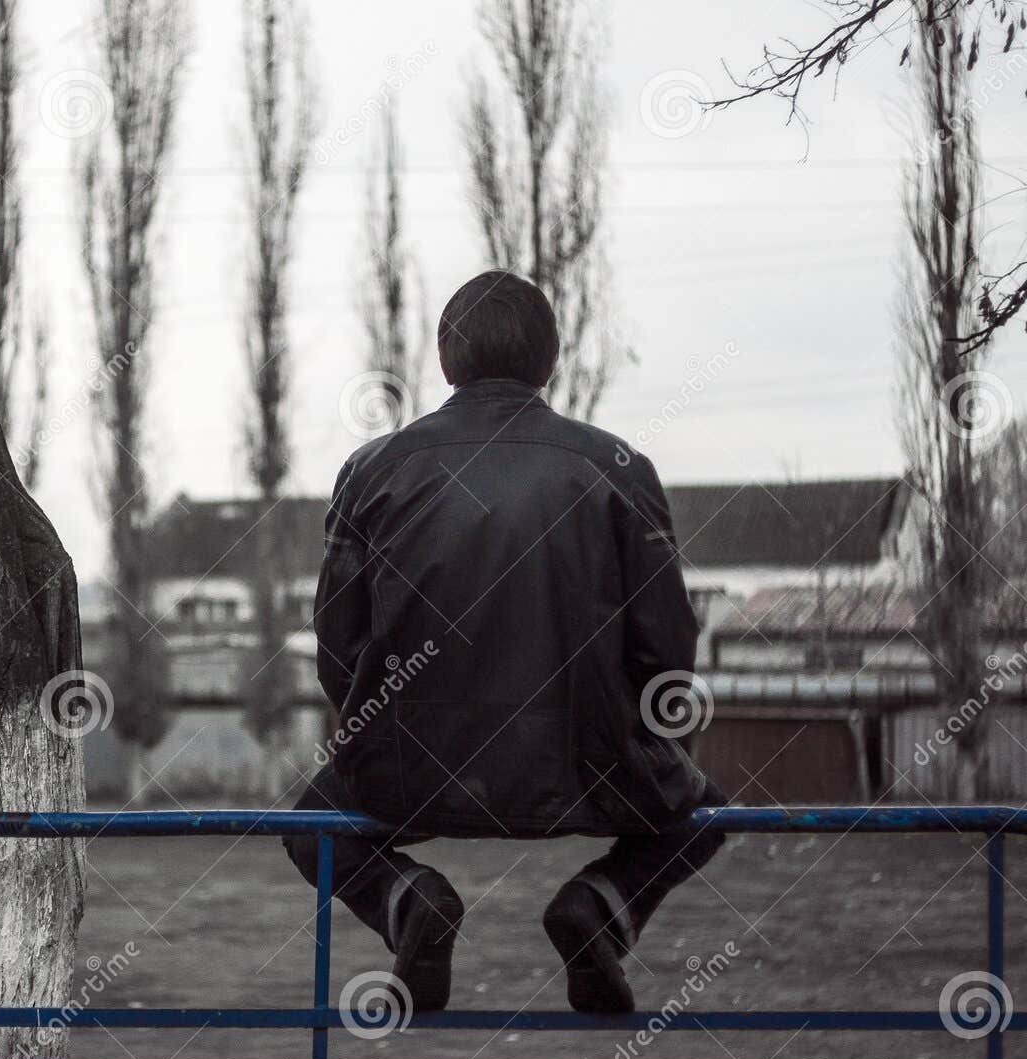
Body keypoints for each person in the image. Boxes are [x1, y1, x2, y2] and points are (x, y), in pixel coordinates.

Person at [283, 270, 727, 1015]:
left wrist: (378, 724)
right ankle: (598, 906)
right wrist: (632, 736)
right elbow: (666, 649)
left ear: (445, 359)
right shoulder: (617, 467)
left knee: (309, 825)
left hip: (407, 764)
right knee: (703, 811)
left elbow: (338, 642)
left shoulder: (374, 470)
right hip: (593, 761)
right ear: (550, 360)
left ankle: (410, 901)